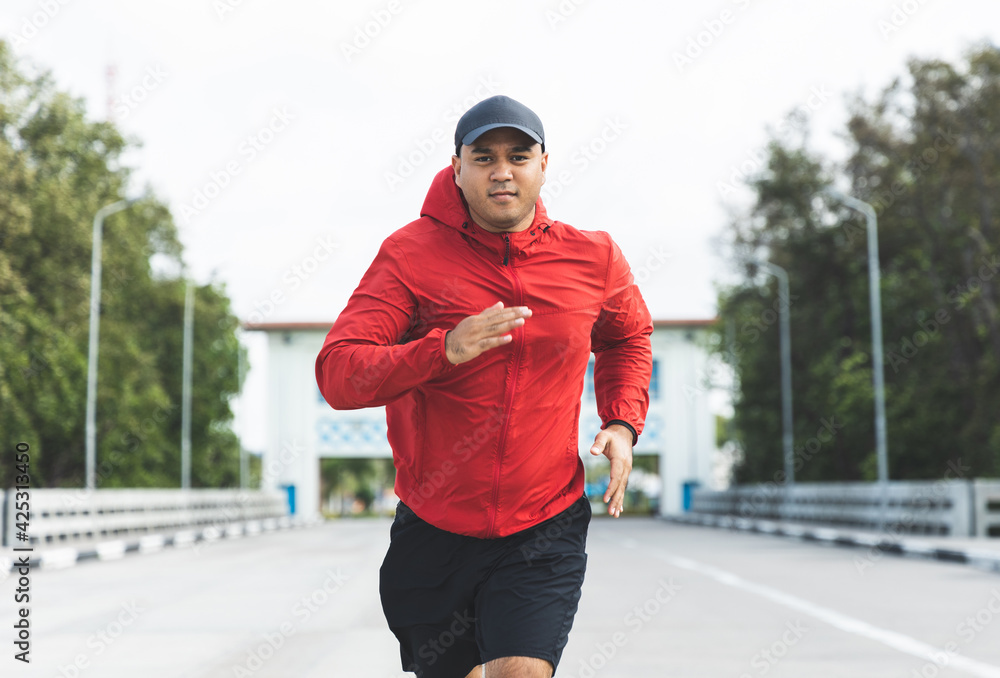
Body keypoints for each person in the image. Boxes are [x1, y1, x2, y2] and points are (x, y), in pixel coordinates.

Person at [315, 95, 652, 678]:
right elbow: (339, 372)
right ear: (456, 167)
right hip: (435, 528)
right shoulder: (410, 255)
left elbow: (627, 338)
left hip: (543, 523)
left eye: (518, 156)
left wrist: (621, 422)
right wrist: (442, 350)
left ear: (544, 164)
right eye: (484, 157)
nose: (502, 171)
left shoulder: (593, 257)